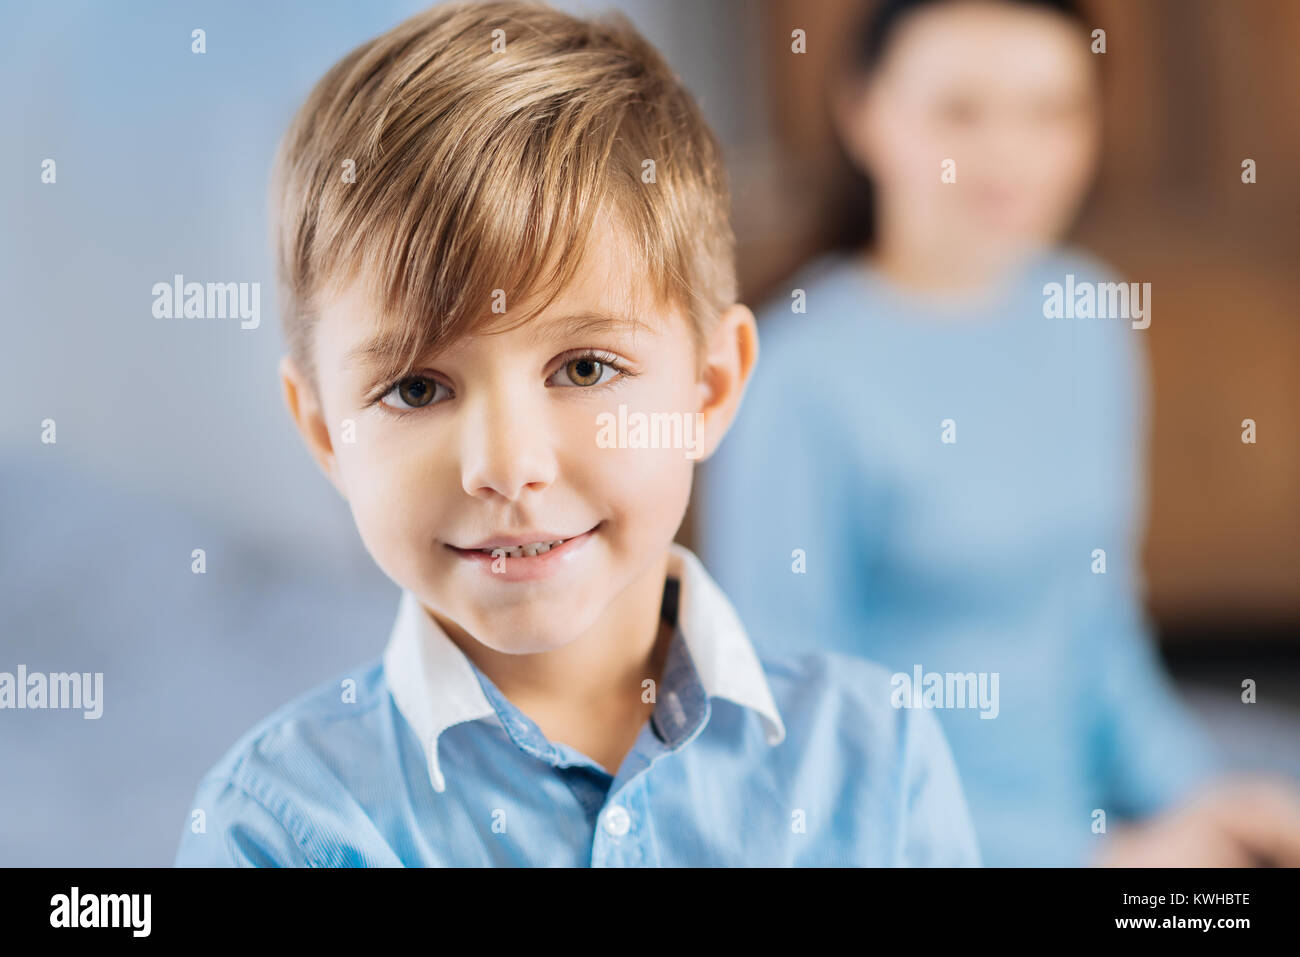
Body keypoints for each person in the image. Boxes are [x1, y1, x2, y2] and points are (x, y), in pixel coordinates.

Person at [172, 0, 981, 867]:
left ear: (708, 387)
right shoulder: (277, 826)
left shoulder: (874, 758)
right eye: (415, 387)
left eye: (585, 369)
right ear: (327, 432)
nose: (508, 466)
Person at [697, 0, 1300, 866]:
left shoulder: (1086, 315)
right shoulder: (796, 378)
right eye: (961, 111)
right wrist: (1096, 859)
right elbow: (795, 752)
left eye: (1052, 111)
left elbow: (1098, 630)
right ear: (861, 113)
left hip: (1097, 817)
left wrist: (1199, 797)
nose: (1010, 154)